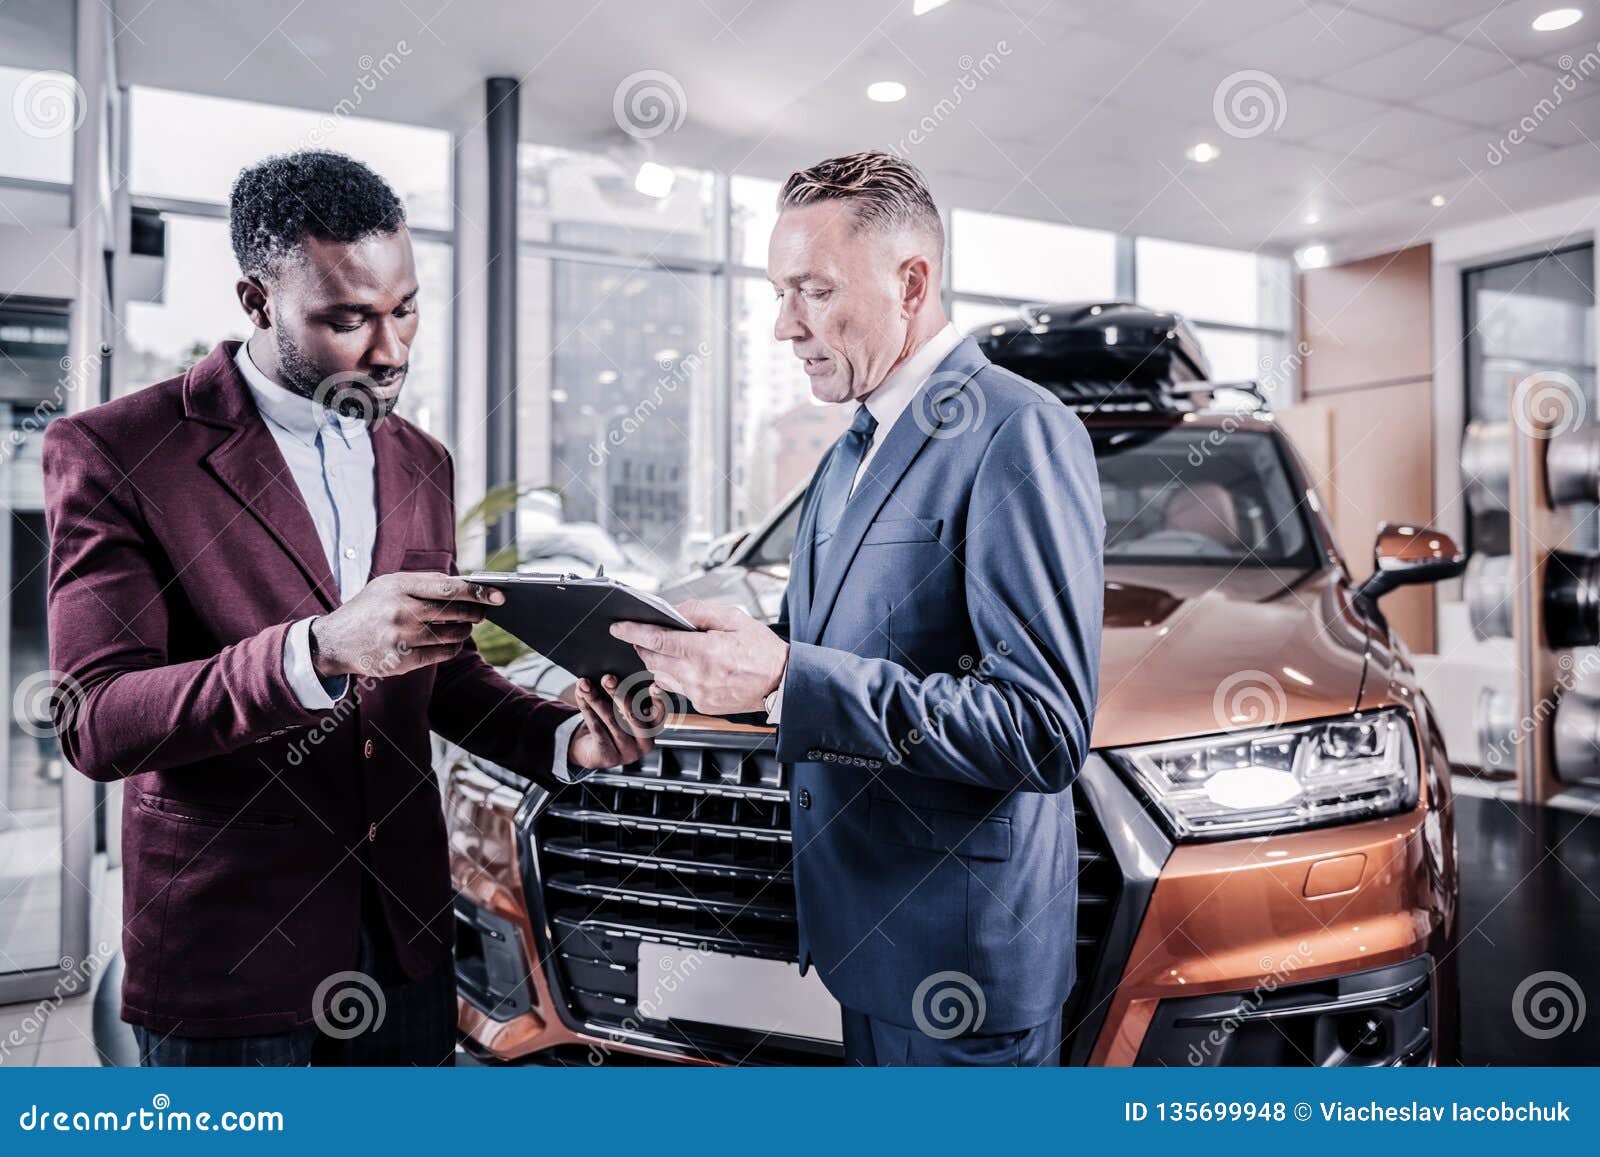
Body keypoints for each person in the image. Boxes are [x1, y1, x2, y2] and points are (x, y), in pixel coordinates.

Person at [41, 150, 654, 1067]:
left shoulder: (421, 459)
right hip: (232, 951)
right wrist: (320, 649)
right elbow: (95, 719)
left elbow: (439, 672)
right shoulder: (115, 449)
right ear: (257, 301)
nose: (392, 349)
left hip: (402, 943)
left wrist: (567, 741)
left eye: (405, 307)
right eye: (348, 319)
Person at [612, 151, 1105, 1066]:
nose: (782, 326)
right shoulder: (848, 454)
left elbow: (1041, 729)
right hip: (858, 944)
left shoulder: (1018, 431)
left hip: (960, 963)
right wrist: (704, 661)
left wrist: (790, 674)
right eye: (777, 291)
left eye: (812, 291)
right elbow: (822, 649)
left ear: (912, 282)